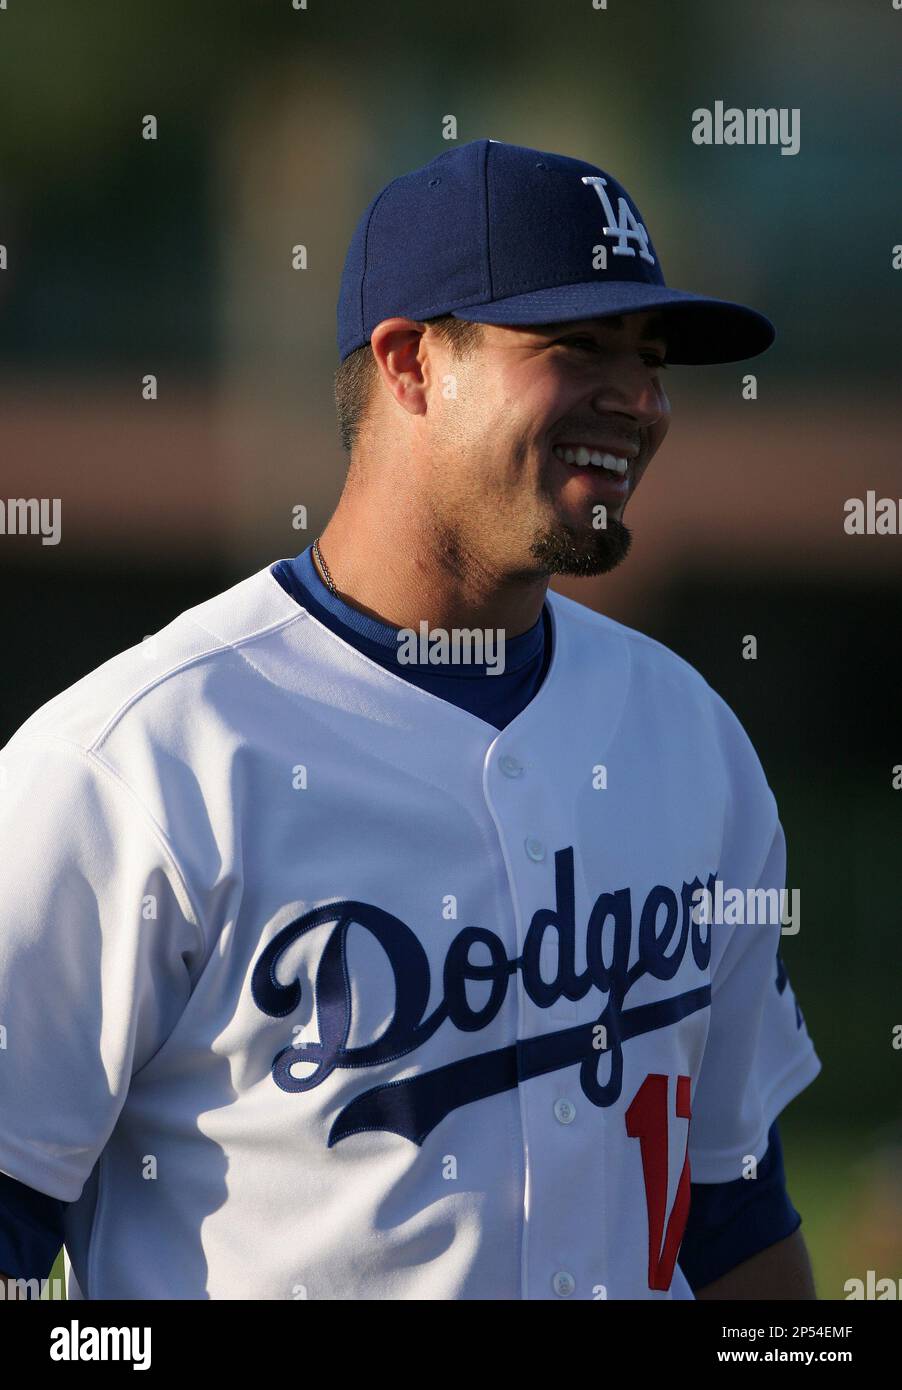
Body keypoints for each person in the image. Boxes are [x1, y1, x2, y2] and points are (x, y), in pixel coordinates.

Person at [0, 139, 820, 1300]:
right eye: (577, 346)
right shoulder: (132, 763)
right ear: (411, 364)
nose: (640, 400)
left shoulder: (689, 737)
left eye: (648, 358)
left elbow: (730, 1206)